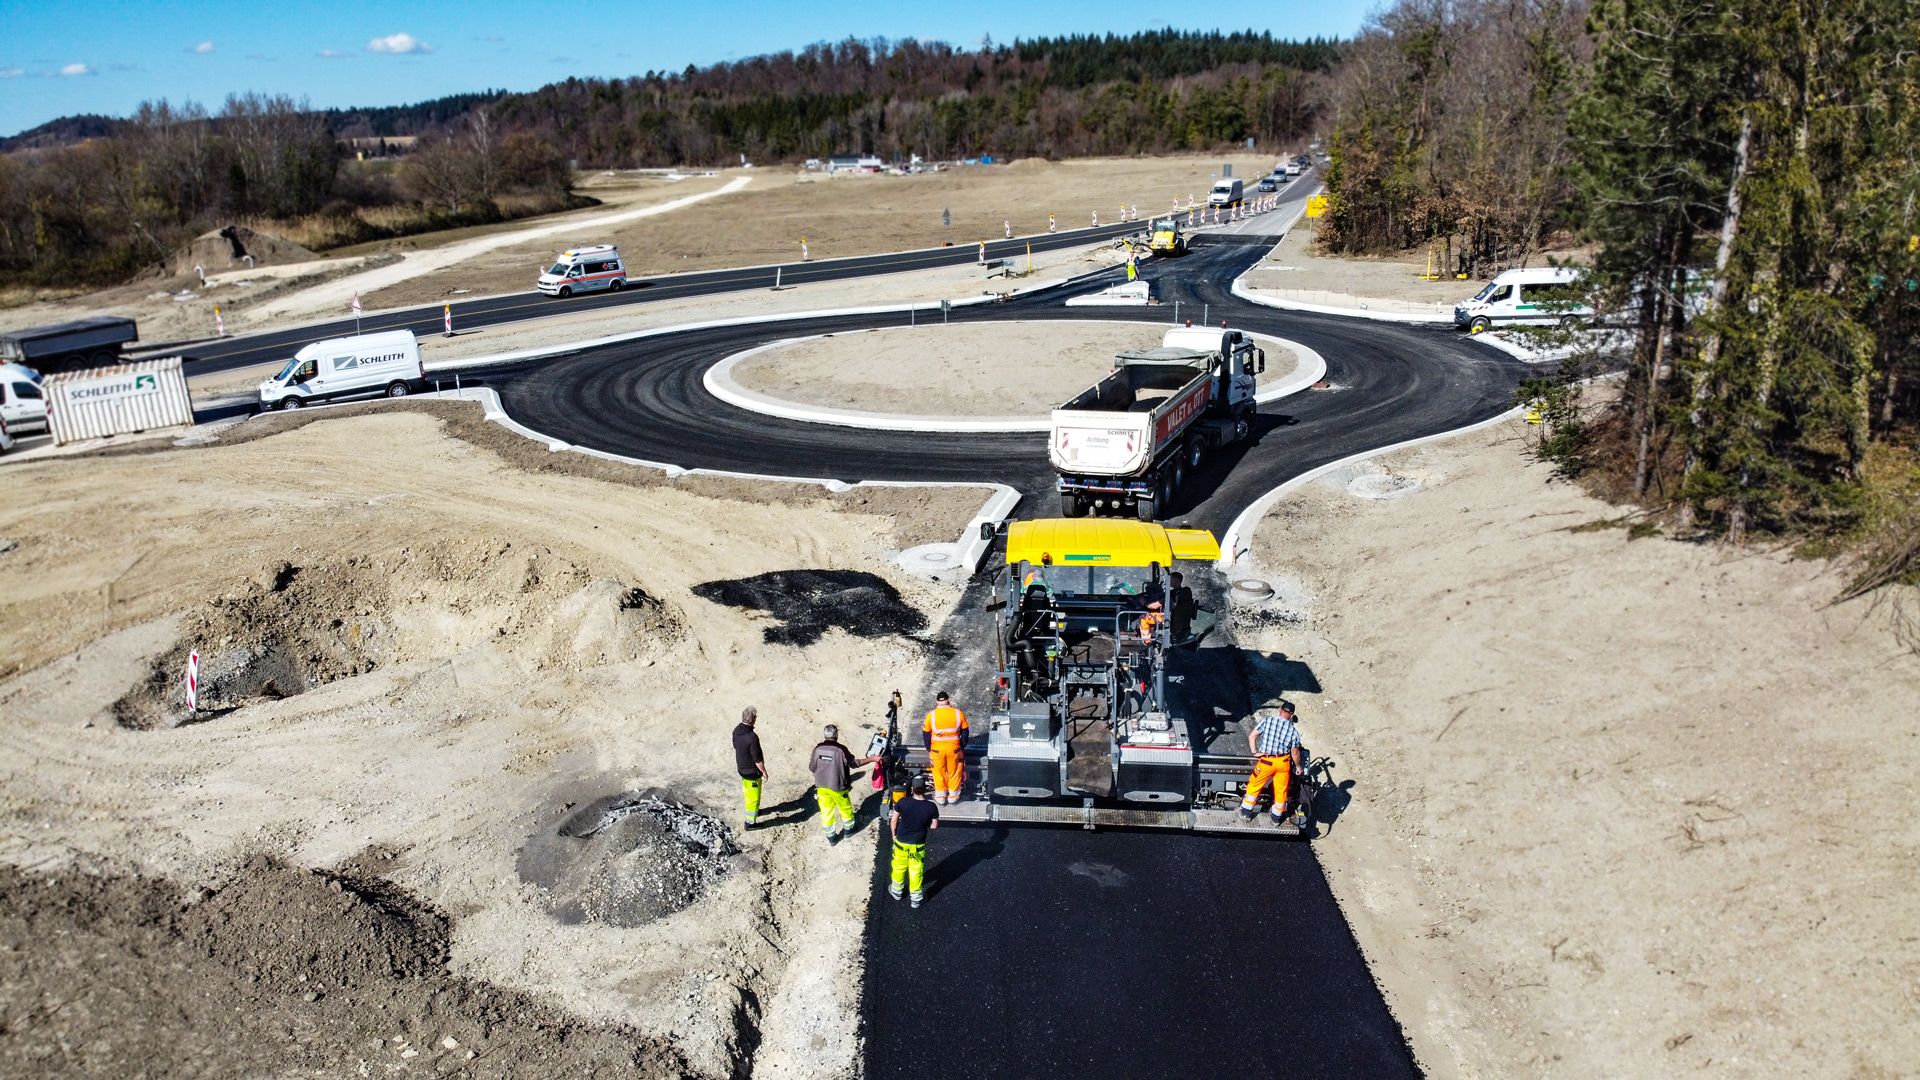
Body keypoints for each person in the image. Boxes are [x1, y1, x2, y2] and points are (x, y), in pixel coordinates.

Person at [809, 723, 877, 844]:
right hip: (838, 787)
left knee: (826, 811)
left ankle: (831, 837)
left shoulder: (817, 749)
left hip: (821, 788)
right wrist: (872, 759)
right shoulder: (841, 750)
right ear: (837, 735)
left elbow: (812, 768)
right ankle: (848, 830)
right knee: (845, 809)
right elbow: (855, 763)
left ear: (825, 735)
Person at [1241, 700, 1305, 825]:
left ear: (1280, 709)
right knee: (1281, 791)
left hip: (1267, 761)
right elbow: (1295, 753)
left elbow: (1252, 736)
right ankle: (1275, 819)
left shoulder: (1268, 721)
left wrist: (1255, 752)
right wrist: (1298, 766)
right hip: (1283, 763)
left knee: (1254, 785)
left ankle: (1245, 813)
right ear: (1291, 716)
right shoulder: (1293, 732)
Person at [888, 775, 940, 908]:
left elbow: (894, 820)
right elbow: (934, 826)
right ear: (926, 789)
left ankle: (896, 891)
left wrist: (894, 836)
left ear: (912, 788)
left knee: (898, 867)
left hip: (901, 843)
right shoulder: (931, 807)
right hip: (917, 846)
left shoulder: (903, 802)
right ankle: (916, 899)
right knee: (916, 871)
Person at [922, 692, 969, 805]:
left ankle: (941, 796)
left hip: (937, 751)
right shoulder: (958, 713)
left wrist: (929, 748)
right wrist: (961, 747)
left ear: (937, 702)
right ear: (948, 700)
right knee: (955, 771)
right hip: (954, 749)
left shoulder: (931, 716)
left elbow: (926, 734)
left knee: (938, 772)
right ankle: (953, 796)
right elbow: (965, 732)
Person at [733, 706, 768, 828]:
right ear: (753, 720)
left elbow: (735, 746)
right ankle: (750, 823)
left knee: (749, 793)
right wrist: (763, 771)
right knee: (753, 797)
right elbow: (757, 758)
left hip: (741, 768)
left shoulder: (736, 730)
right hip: (751, 772)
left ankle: (755, 812)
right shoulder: (752, 737)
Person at [1168, 571, 1196, 642]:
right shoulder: (1173, 592)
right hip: (1179, 626)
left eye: (1170, 580)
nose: (1169, 582)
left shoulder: (1185, 591)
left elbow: (1175, 604)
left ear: (1176, 581)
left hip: (1179, 627)